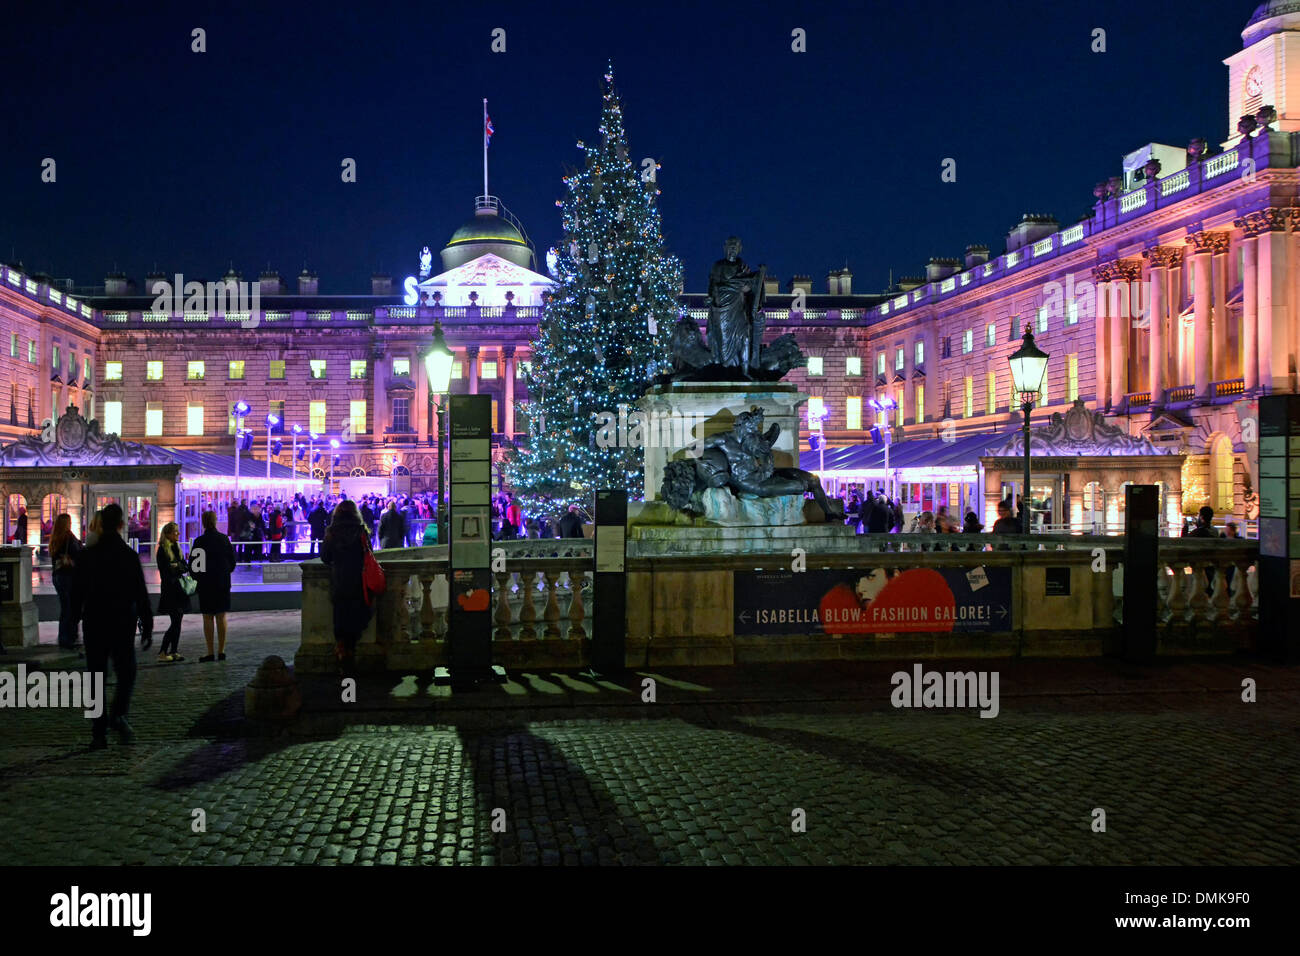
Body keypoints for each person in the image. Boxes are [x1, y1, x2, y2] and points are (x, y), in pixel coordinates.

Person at [73, 503, 151, 748]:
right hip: (121, 622)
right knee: (126, 671)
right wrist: (146, 622)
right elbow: (140, 591)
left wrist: (74, 622)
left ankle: (98, 730)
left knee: (95, 676)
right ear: (121, 524)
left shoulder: (87, 556)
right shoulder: (128, 555)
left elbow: (76, 593)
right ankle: (119, 714)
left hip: (94, 621)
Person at [320, 499, 373, 675]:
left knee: (341, 618)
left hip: (340, 581)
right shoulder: (362, 531)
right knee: (356, 617)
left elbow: (326, 558)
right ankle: (351, 653)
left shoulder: (331, 533)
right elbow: (369, 555)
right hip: (359, 581)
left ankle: (343, 654)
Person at [190, 510, 236, 662]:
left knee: (208, 617)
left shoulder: (199, 542)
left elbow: (195, 567)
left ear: (203, 522)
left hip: (206, 584)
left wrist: (200, 578)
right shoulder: (224, 540)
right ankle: (221, 650)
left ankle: (210, 652)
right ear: (216, 522)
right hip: (222, 583)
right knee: (221, 616)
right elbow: (232, 563)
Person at [155, 521, 189, 663]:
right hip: (170, 590)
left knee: (178, 620)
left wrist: (177, 566)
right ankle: (162, 652)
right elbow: (166, 570)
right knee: (175, 621)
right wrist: (176, 567)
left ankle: (174, 651)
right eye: (175, 532)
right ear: (168, 534)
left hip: (178, 588)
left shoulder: (177, 548)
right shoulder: (162, 550)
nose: (178, 534)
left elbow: (185, 566)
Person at [49, 513, 82, 651]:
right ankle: (68, 637)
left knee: (65, 607)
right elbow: (78, 554)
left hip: (58, 575)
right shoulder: (68, 537)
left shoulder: (55, 539)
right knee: (70, 607)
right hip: (68, 575)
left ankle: (64, 636)